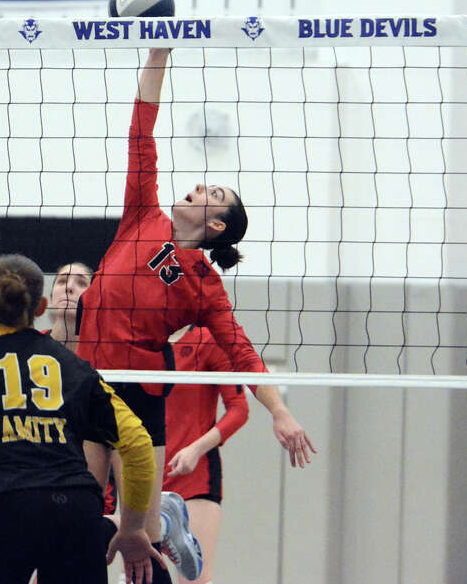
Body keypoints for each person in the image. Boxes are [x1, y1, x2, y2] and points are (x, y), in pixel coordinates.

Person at [75, 48, 316, 582]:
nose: (202, 186)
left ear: (216, 226)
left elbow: (243, 354)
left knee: (144, 540)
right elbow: (142, 127)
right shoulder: (144, 213)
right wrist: (159, 49)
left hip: (140, 392)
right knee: (85, 524)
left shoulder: (204, 285)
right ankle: (156, 520)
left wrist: (279, 411)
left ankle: (165, 521)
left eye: (215, 194)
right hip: (91, 381)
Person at [0, 254, 185, 584]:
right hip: (74, 512)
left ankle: (127, 523)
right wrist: (132, 528)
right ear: (40, 307)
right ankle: (121, 523)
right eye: (64, 281)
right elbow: (137, 442)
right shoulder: (75, 366)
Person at [162, 325, 257, 584]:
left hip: (194, 477)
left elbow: (239, 410)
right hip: (146, 474)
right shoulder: (140, 337)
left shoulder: (207, 338)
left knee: (195, 579)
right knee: (138, 575)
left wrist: (196, 448)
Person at [45, 262, 93, 353]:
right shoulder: (28, 345)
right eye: (62, 281)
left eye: (82, 283)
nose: (69, 287)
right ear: (51, 299)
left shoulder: (103, 355)